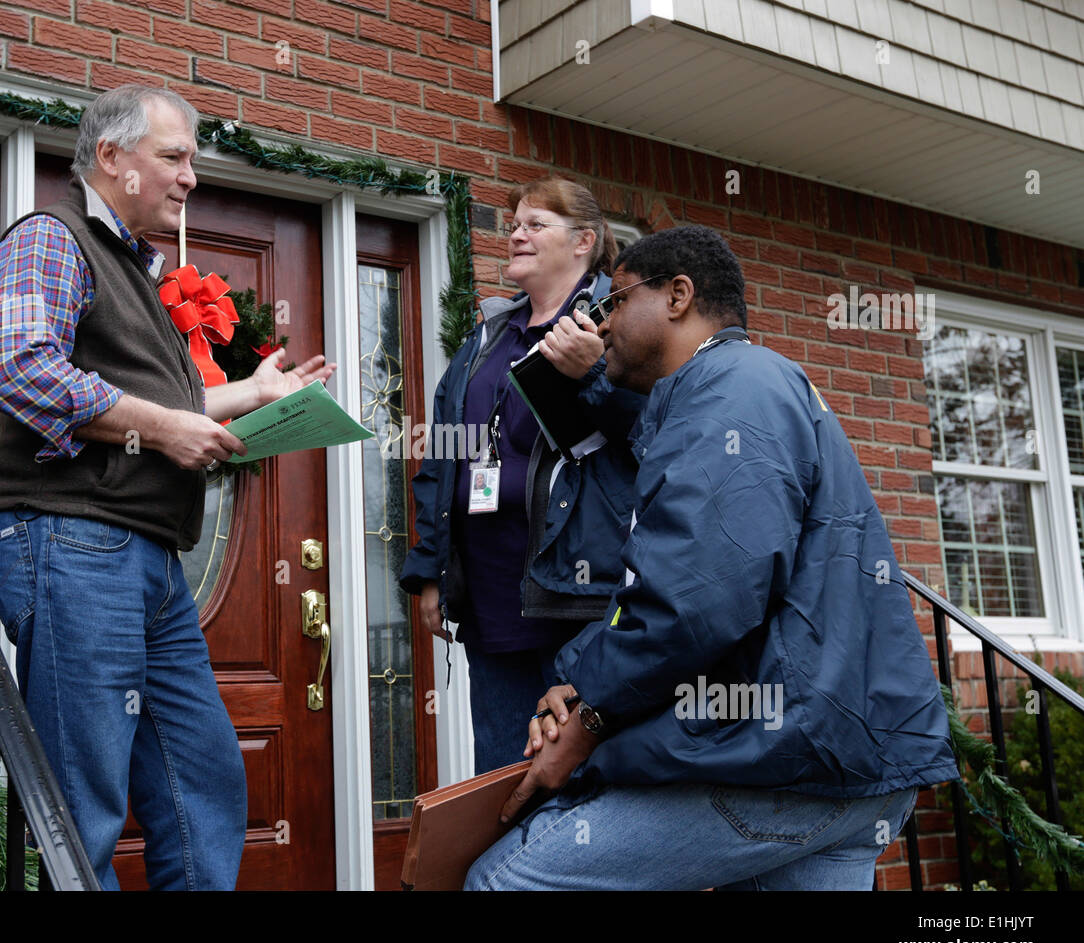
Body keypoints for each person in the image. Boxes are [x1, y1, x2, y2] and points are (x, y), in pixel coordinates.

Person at [464, 226, 958, 889]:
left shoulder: (727, 395)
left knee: (505, 880)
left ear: (677, 295)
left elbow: (695, 602)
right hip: (842, 765)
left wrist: (589, 721)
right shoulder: (742, 387)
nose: (601, 324)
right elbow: (686, 582)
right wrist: (585, 678)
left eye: (614, 302)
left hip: (787, 759)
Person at [0, 85, 334, 890]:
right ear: (111, 157)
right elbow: (14, 367)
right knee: (83, 807)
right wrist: (166, 429)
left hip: (148, 561)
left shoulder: (138, 270)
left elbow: (163, 408)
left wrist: (253, 394)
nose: (190, 179)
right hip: (71, 543)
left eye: (192, 162)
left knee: (203, 779)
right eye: (173, 158)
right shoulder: (51, 237)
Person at [400, 179, 645, 774]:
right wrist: (429, 570)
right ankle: (508, 873)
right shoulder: (487, 336)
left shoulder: (620, 323)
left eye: (536, 224)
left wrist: (593, 376)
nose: (515, 233)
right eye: (513, 223)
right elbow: (445, 456)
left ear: (583, 241)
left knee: (580, 775)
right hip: (490, 594)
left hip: (579, 596)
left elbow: (654, 433)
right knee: (503, 777)